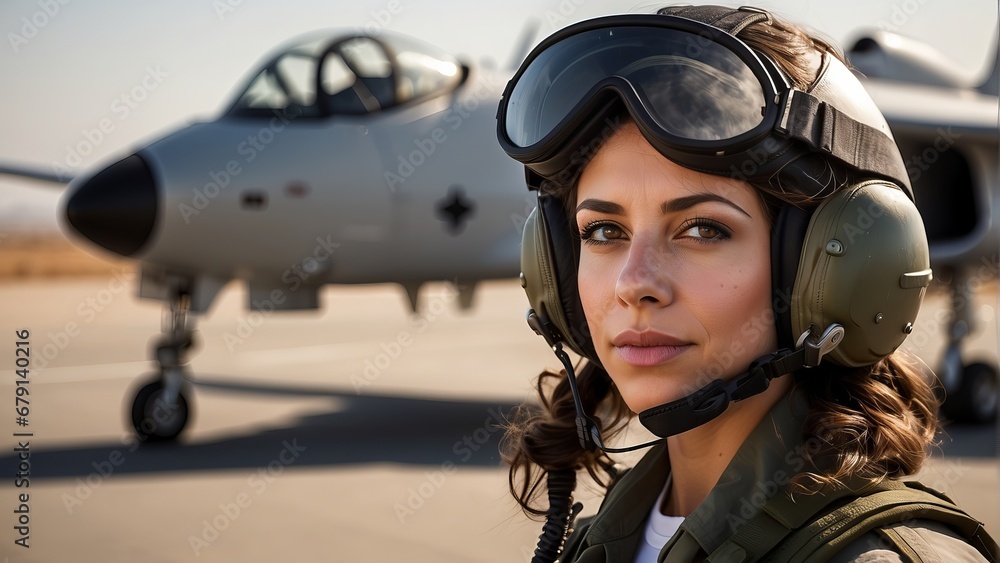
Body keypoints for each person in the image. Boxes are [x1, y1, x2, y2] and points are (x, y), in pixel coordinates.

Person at [495, 5, 998, 563]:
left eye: (703, 230)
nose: (633, 284)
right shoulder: (608, 539)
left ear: (833, 269)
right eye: (604, 230)